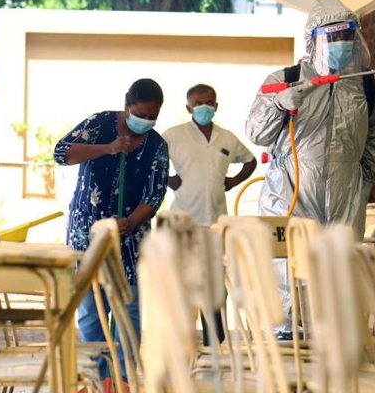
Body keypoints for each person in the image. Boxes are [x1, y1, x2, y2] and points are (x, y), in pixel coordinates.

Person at [246, 0, 375, 337]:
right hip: (290, 198)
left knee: (338, 284)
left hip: (344, 199)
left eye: (347, 36)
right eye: (332, 37)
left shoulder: (370, 86)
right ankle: (283, 358)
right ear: (313, 40)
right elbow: (256, 132)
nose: (340, 45)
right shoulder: (285, 78)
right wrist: (278, 104)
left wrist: (357, 184)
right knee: (285, 279)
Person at [54, 78, 169, 390]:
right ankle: (95, 379)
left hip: (130, 236)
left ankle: (123, 379)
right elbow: (61, 152)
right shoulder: (100, 123)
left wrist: (131, 221)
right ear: (126, 105)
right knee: (91, 308)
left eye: (151, 116)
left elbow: (155, 194)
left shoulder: (157, 145)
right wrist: (106, 148)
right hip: (87, 230)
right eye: (139, 114)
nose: (144, 122)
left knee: (128, 308)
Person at [162, 83, 257, 346]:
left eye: (209, 103)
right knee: (183, 281)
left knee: (215, 283)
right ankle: (181, 338)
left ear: (216, 105)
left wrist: (232, 181)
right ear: (188, 107)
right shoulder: (173, 135)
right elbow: (152, 161)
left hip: (215, 223)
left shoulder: (226, 138)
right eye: (198, 103)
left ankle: (214, 339)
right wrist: (168, 180)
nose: (204, 107)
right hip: (183, 222)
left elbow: (250, 161)